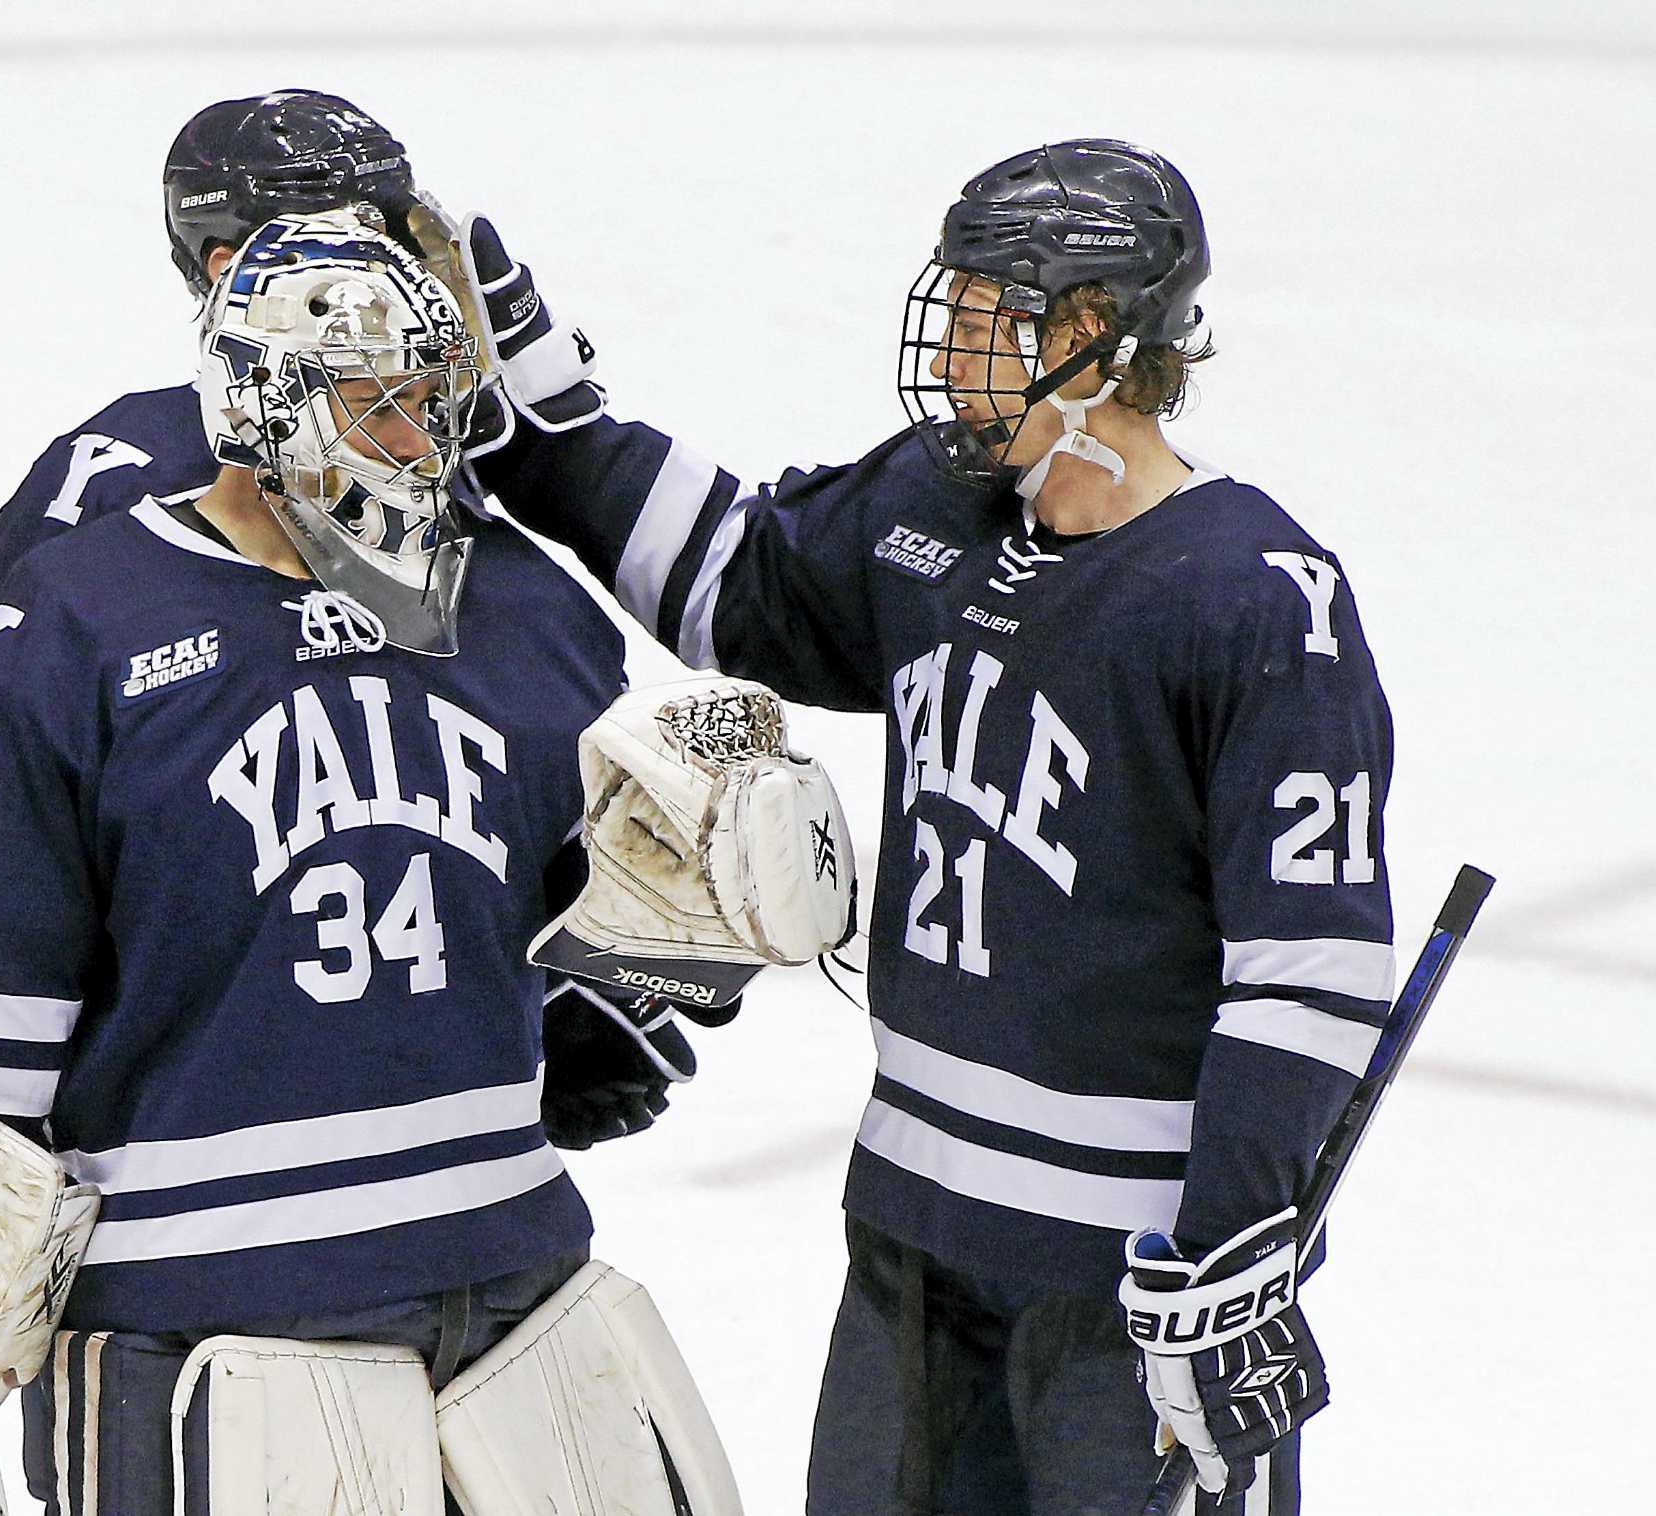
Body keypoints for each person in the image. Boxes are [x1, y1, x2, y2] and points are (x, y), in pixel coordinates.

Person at [456, 140, 1395, 1514]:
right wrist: (549, 421)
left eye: (981, 315)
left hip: (1120, 1293)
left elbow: (1308, 975)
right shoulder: (939, 515)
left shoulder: (1252, 598)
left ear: (1093, 336)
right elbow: (736, 577)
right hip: (909, 1244)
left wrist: (1227, 1256)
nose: (951, 348)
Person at [0, 209, 744, 1514]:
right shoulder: (85, 624)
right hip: (207, 1328)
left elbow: (616, 905)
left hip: (511, 1295)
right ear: (266, 405)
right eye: (378, 403)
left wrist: (665, 954)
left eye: (434, 401)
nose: (418, 441)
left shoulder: (514, 602)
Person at [0, 87, 702, 1157]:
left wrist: (586, 987)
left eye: (399, 228)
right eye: (358, 235)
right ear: (229, 267)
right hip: (182, 1126)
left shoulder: (414, 443)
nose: (401, 269)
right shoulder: (111, 487)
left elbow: (501, 759)